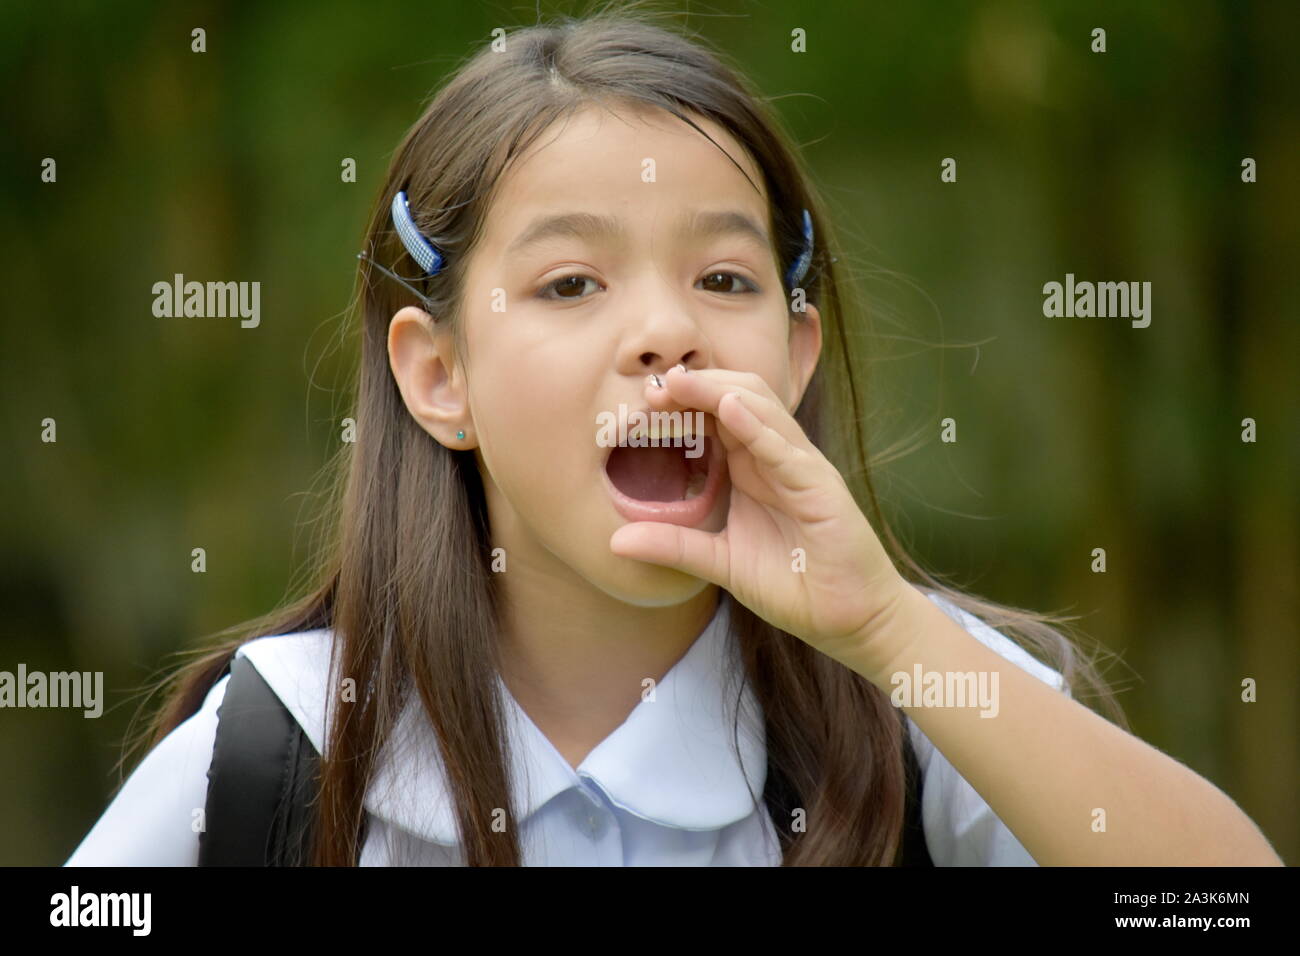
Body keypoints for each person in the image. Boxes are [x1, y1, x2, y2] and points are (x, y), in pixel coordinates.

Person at [65, 7, 1281, 867]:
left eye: (723, 276)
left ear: (797, 356)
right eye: (570, 284)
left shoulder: (922, 705)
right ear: (440, 377)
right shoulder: (282, 747)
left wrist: (887, 632)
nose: (665, 331)